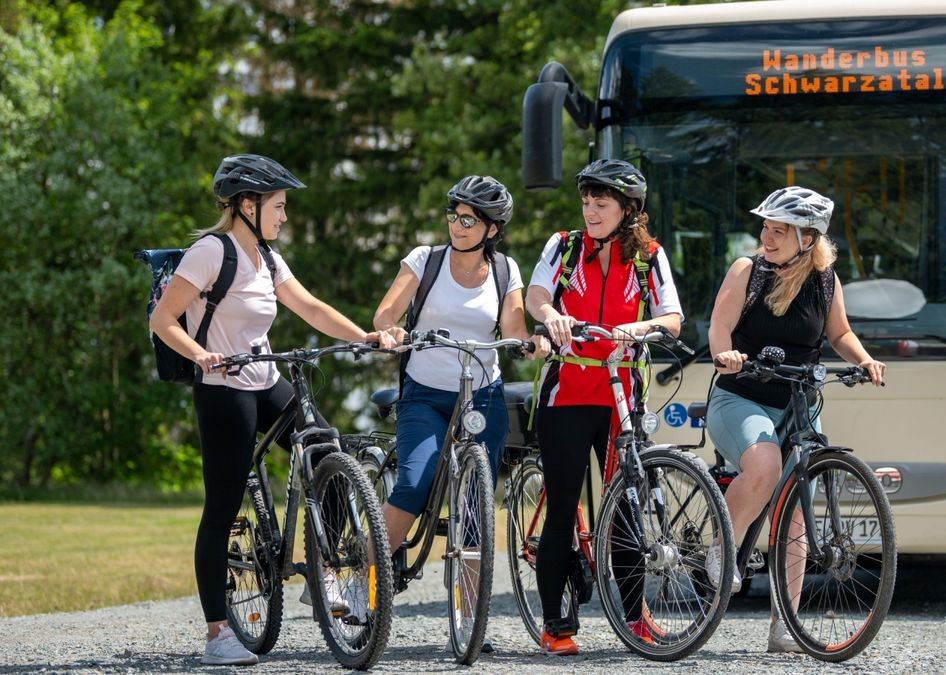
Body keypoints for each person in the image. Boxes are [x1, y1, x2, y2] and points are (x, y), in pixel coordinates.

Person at [148, 154, 394, 666]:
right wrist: (200, 354)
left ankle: (323, 571)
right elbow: (163, 319)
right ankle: (218, 633)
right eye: (278, 206)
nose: (284, 216)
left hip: (265, 378)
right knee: (222, 504)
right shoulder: (211, 252)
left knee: (327, 448)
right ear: (247, 205)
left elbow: (310, 307)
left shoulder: (267, 257)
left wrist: (364, 336)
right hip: (223, 386)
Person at [372, 175, 550, 653]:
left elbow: (513, 325)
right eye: (454, 215)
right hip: (425, 394)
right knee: (414, 482)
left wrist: (530, 343)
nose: (457, 224)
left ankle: (470, 619)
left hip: (482, 396)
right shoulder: (424, 260)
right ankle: (360, 582)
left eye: (469, 219)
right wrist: (391, 331)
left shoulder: (505, 270)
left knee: (474, 505)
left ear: (492, 229)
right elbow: (386, 313)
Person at [705, 186, 885, 653]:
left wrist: (864, 359)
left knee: (798, 510)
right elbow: (719, 324)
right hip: (740, 396)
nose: (766, 237)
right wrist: (725, 355)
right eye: (765, 227)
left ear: (808, 238)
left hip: (798, 403)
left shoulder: (826, 281)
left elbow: (840, 333)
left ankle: (785, 624)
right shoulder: (747, 270)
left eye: (778, 231)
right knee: (764, 465)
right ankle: (723, 545)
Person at [525, 159, 684, 655]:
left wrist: (636, 329)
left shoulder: (650, 257)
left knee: (628, 509)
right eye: (586, 201)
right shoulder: (564, 246)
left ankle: (636, 618)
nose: (590, 211)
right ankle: (555, 627)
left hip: (622, 397)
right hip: (567, 394)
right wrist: (551, 315)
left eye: (602, 203)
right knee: (562, 507)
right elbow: (535, 295)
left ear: (628, 210)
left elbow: (672, 319)